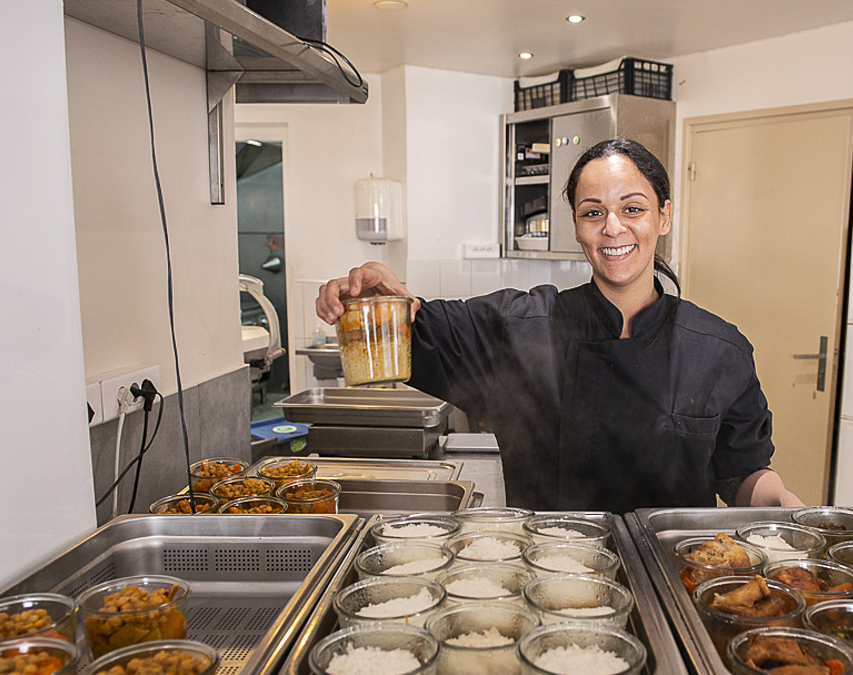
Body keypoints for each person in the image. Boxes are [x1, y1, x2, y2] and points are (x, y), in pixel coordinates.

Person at [316, 138, 803, 515]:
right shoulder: (516, 329)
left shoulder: (720, 349)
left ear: (664, 216)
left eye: (633, 208)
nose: (613, 227)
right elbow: (418, 328)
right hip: (549, 580)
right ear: (576, 225)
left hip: (671, 580)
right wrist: (385, 303)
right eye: (594, 213)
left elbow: (743, 472)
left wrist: (776, 499)